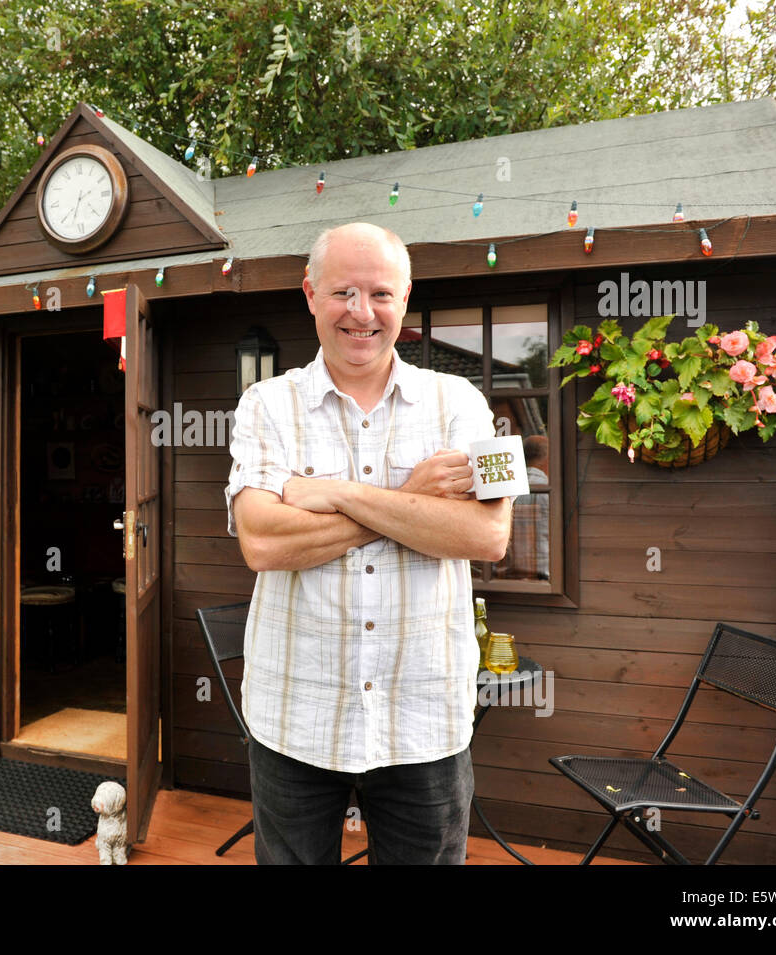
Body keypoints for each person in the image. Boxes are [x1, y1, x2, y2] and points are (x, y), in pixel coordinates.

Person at [225, 222, 512, 864]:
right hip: (295, 712)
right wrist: (415, 498)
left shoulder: (463, 403)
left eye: (380, 293)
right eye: (342, 293)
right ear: (310, 295)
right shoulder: (263, 406)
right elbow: (263, 544)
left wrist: (338, 493)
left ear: (405, 297)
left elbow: (488, 534)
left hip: (424, 715)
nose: (362, 312)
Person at [497, 434, 550, 579]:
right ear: (548, 459)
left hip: (504, 574)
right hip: (544, 575)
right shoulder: (551, 492)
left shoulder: (505, 488)